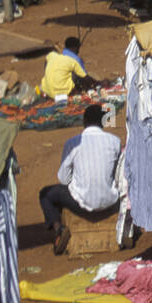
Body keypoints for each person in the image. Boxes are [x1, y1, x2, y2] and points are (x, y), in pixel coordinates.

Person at [39, 103, 122, 255]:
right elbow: (118, 174)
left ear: (84, 121)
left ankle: (58, 230)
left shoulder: (72, 143)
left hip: (80, 202)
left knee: (46, 194)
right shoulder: (115, 141)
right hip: (110, 201)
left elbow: (63, 179)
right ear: (104, 121)